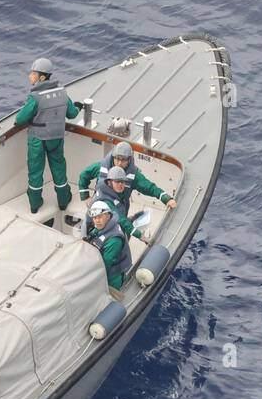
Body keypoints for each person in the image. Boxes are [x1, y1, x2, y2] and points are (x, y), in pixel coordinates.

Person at [15, 57, 82, 217]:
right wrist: (79, 106)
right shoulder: (62, 92)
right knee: (59, 168)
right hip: (56, 138)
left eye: (33, 73)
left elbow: (19, 120)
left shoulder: (35, 97)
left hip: (37, 139)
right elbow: (72, 113)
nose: (30, 76)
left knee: (36, 171)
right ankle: (63, 201)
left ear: (42, 77)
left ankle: (35, 204)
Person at [76, 163, 178, 240]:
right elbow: (120, 219)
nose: (121, 185)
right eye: (117, 182)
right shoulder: (105, 200)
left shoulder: (114, 191)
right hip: (100, 229)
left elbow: (148, 187)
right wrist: (140, 236)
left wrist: (165, 198)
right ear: (109, 182)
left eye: (123, 182)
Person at [83, 200, 131, 290]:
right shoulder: (101, 227)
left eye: (100, 216)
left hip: (111, 279)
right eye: (94, 218)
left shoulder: (114, 240)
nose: (97, 221)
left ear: (108, 215)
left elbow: (104, 266)